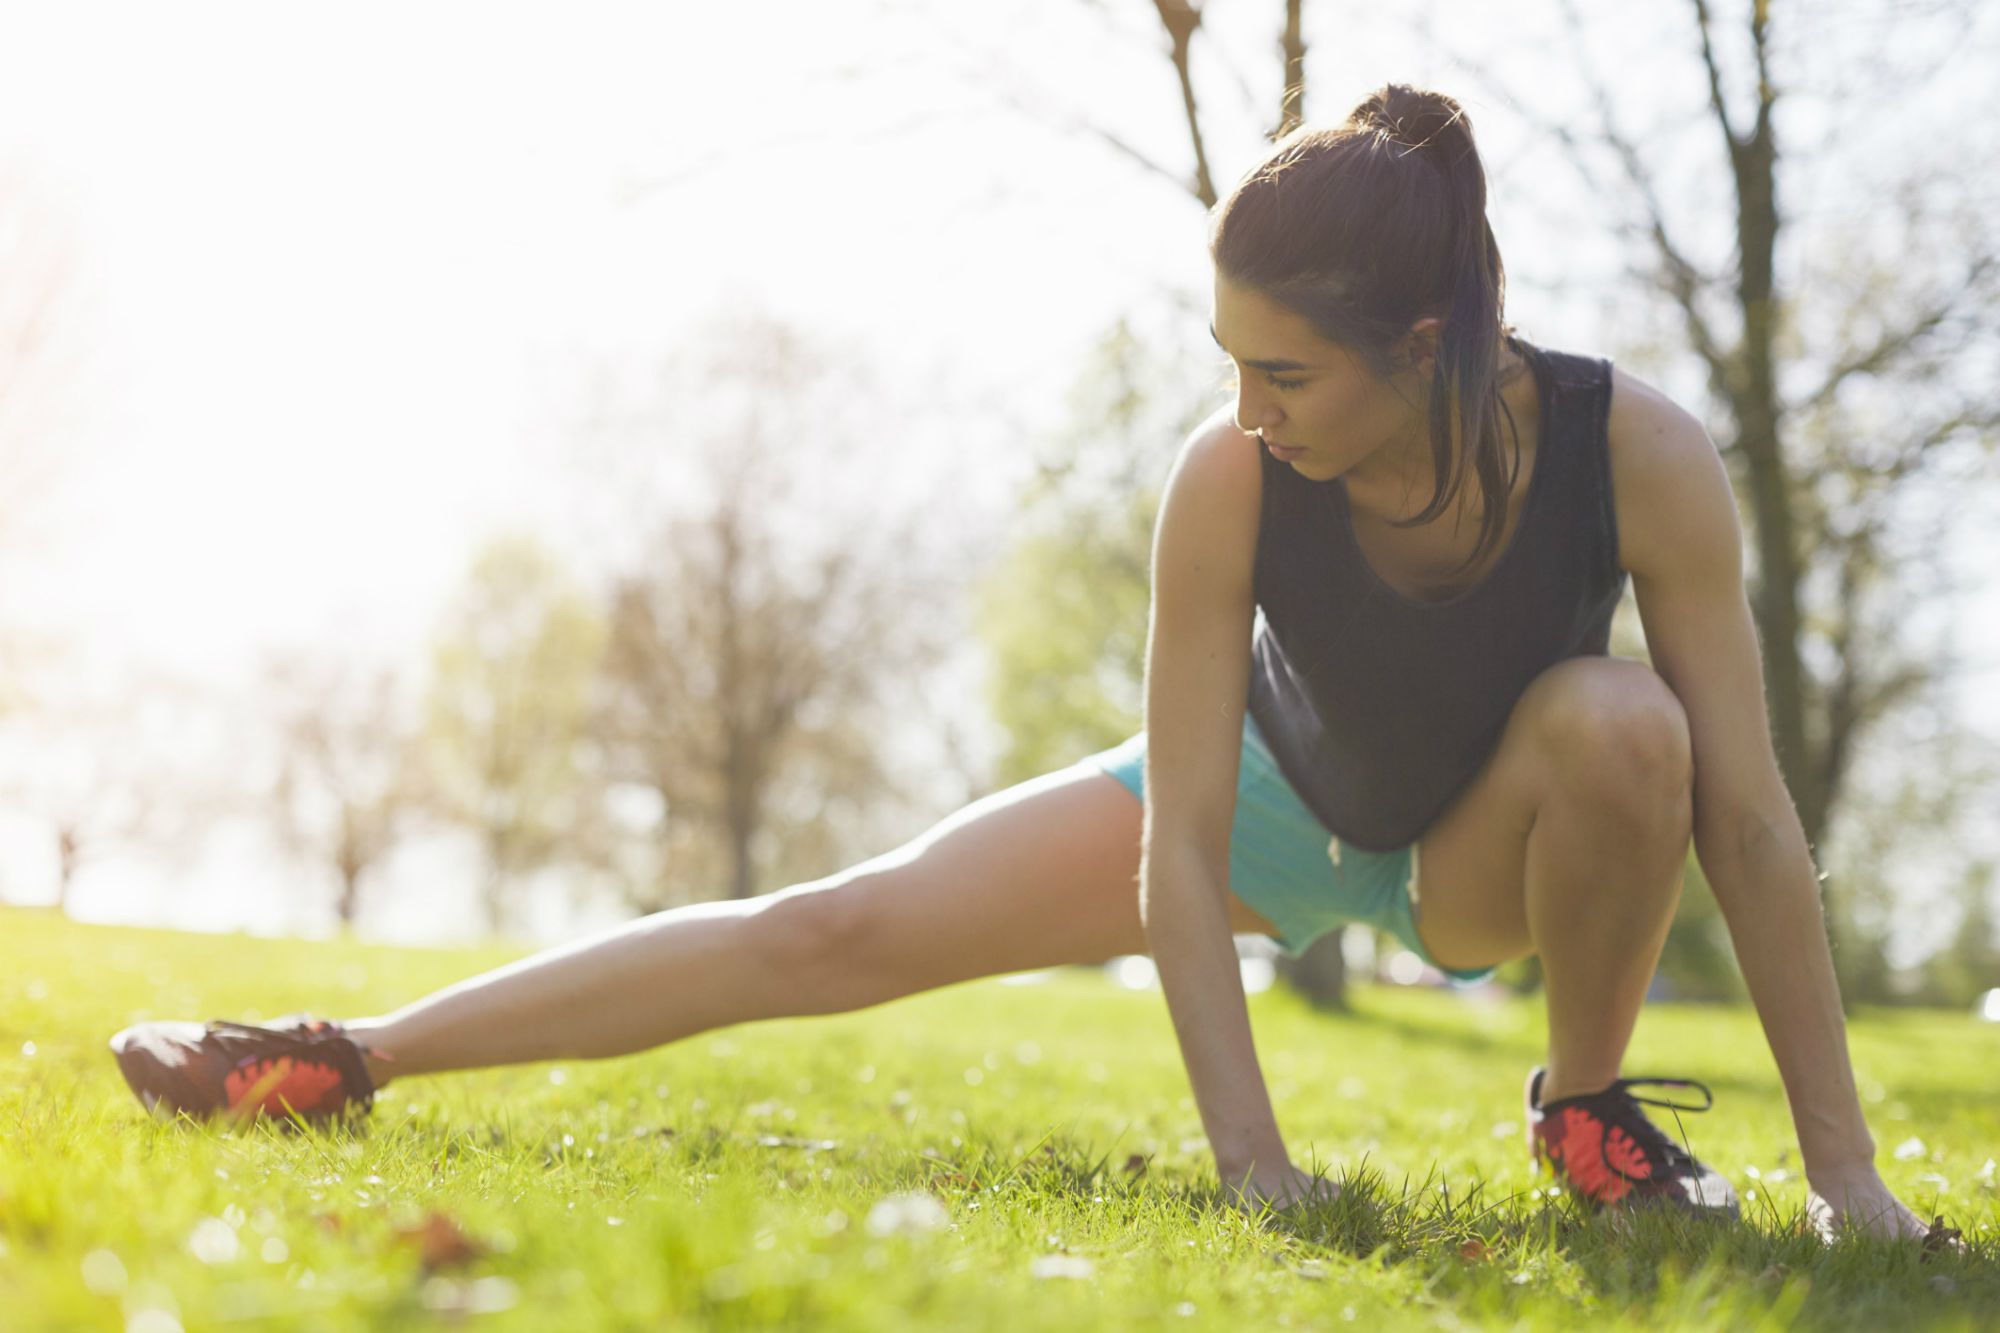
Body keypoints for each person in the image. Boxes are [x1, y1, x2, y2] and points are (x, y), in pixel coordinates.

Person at [110, 84, 1944, 1245]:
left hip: (1488, 853)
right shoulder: (1232, 480)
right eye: (1226, 361)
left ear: (1426, 337)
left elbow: (1757, 827)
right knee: (825, 926)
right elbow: (1183, 832)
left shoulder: (1644, 457)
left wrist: (1846, 1174)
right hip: (1267, 817)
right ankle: (355, 1056)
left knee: (1635, 728)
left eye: (1284, 374)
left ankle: (1582, 1111)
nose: (1245, 413)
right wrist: (1255, 1159)